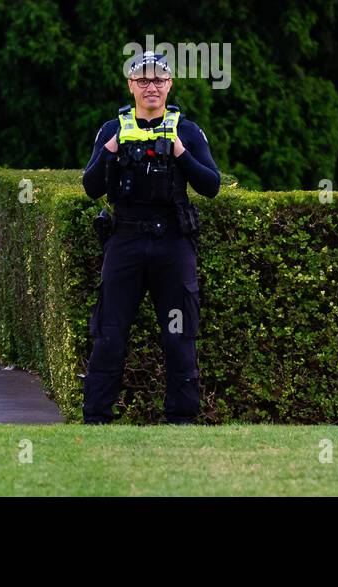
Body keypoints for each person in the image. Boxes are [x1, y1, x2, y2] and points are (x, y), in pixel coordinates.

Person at [81, 51, 221, 424]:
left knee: (179, 334)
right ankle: (96, 418)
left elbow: (211, 185)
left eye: (159, 79)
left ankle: (181, 420)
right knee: (110, 333)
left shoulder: (186, 130)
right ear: (131, 86)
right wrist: (111, 150)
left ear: (170, 84)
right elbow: (90, 186)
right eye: (142, 80)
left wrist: (179, 152)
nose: (151, 87)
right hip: (124, 241)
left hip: (173, 243)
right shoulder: (112, 129)